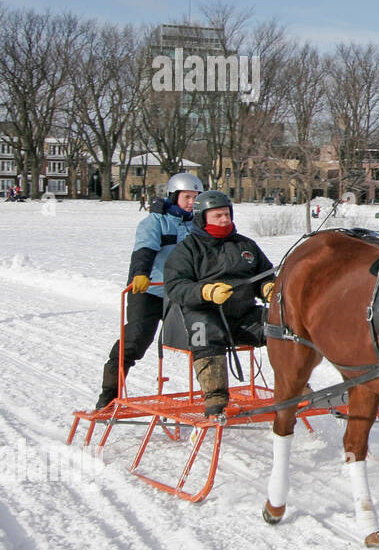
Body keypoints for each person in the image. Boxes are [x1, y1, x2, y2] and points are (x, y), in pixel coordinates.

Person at [94, 172, 204, 409]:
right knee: (136, 340)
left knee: (203, 338)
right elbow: (144, 249)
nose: (191, 202)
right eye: (187, 197)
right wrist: (140, 274)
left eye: (195, 197)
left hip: (180, 293)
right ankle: (109, 396)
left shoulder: (197, 225)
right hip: (149, 290)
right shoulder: (155, 222)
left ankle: (212, 393)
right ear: (174, 196)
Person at [164, 190, 276, 417]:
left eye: (227, 214)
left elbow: (265, 274)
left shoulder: (246, 245)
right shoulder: (187, 249)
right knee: (204, 330)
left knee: (282, 325)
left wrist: (268, 288)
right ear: (202, 217)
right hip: (204, 313)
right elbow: (175, 286)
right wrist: (205, 291)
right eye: (218, 216)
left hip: (244, 314)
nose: (225, 219)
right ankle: (215, 396)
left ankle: (295, 386)